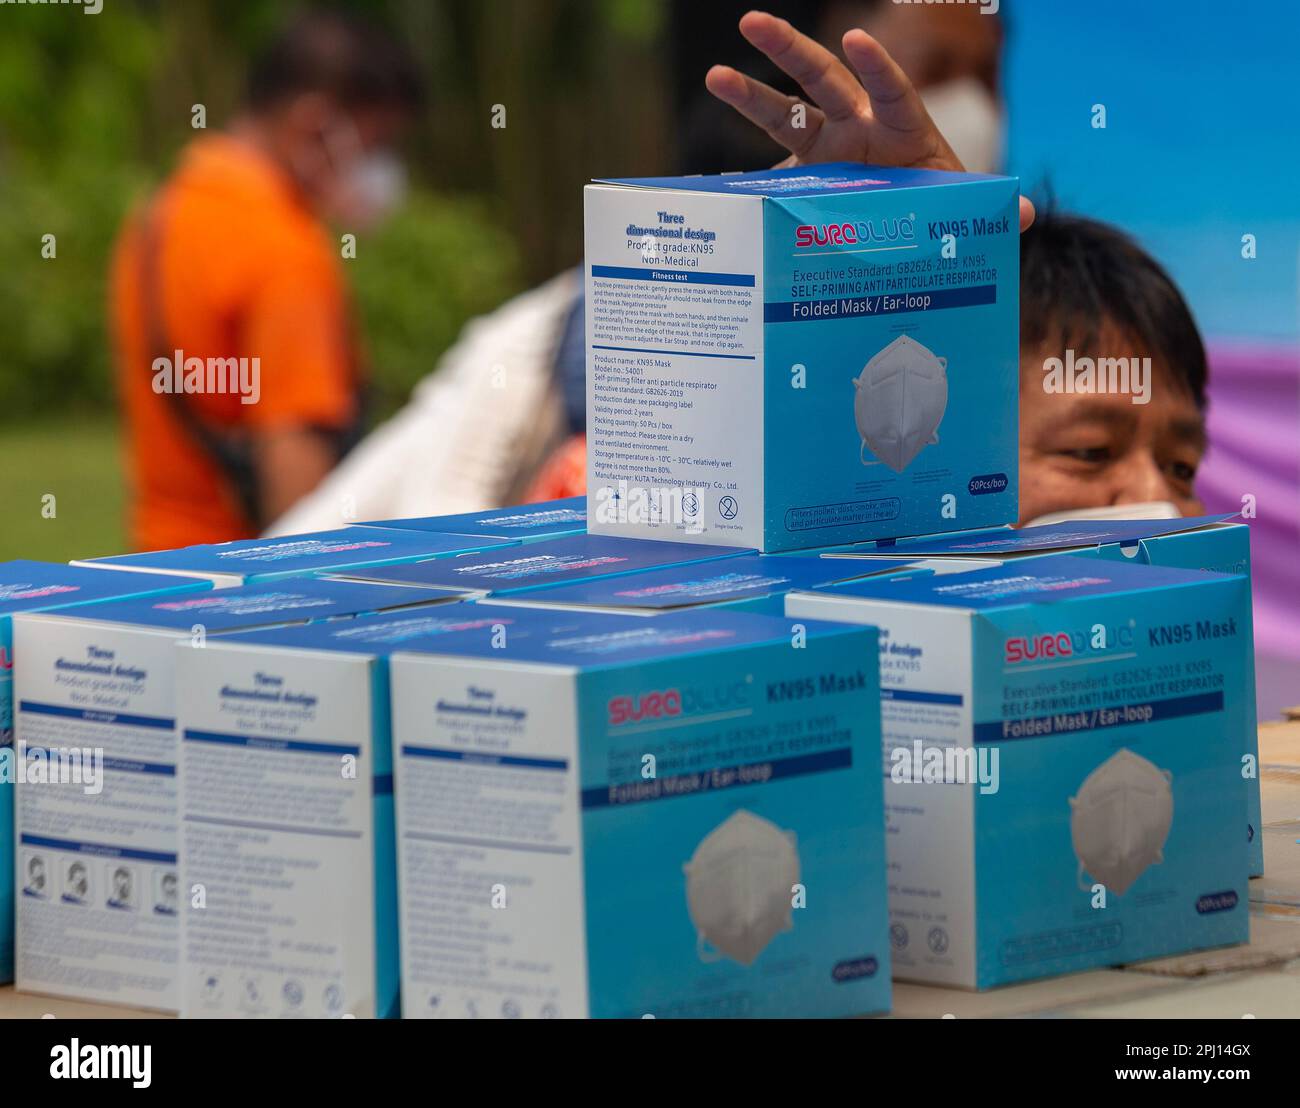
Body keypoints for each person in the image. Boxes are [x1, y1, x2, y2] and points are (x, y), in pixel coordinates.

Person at [268, 2, 1018, 534]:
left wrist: (936, 277)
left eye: (987, 75)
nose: (969, 104)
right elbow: (319, 536)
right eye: (934, 67)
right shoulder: (570, 349)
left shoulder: (1008, 284)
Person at [111, 11, 422, 551]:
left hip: (156, 566)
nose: (380, 171)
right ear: (315, 124)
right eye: (376, 145)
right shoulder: (285, 249)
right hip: (244, 583)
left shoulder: (160, 215)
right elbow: (295, 480)